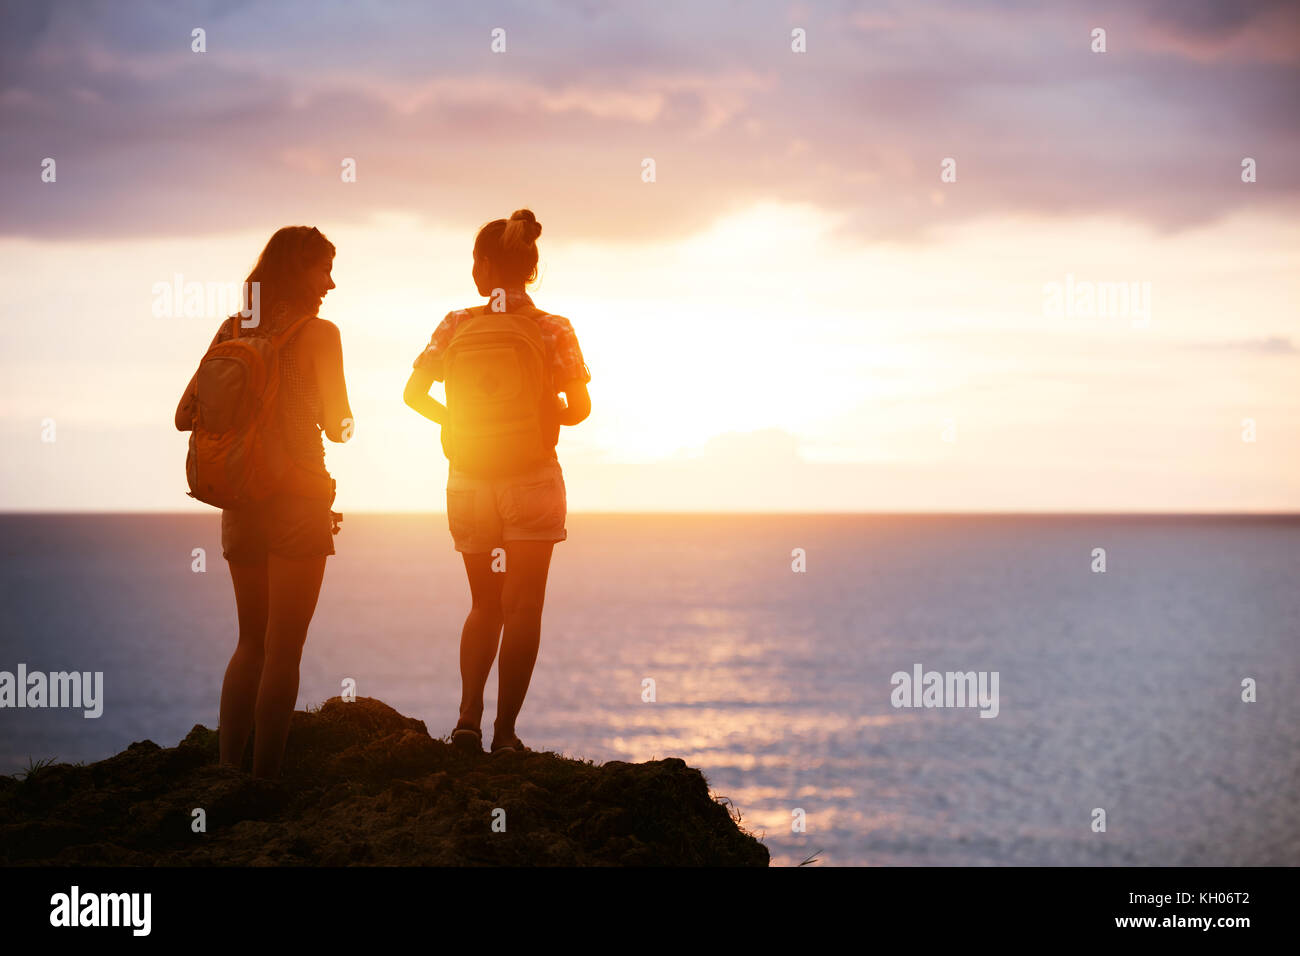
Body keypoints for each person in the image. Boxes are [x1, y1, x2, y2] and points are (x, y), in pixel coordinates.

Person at [404, 209, 591, 755]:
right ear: (530, 269)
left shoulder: (456, 324)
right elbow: (579, 407)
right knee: (523, 608)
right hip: (530, 479)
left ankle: (466, 720)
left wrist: (459, 422)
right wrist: (541, 415)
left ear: (484, 267)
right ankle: (505, 735)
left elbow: (413, 395)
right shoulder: (552, 327)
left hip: (469, 479)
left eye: (474, 261)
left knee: (483, 604)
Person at [175, 225, 352, 778]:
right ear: (297, 272)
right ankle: (266, 778)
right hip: (298, 501)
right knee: (284, 649)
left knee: (250, 641)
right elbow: (340, 426)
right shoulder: (319, 334)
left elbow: (185, 414)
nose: (330, 282)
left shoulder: (232, 328)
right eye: (322, 268)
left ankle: (228, 770)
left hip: (240, 503)